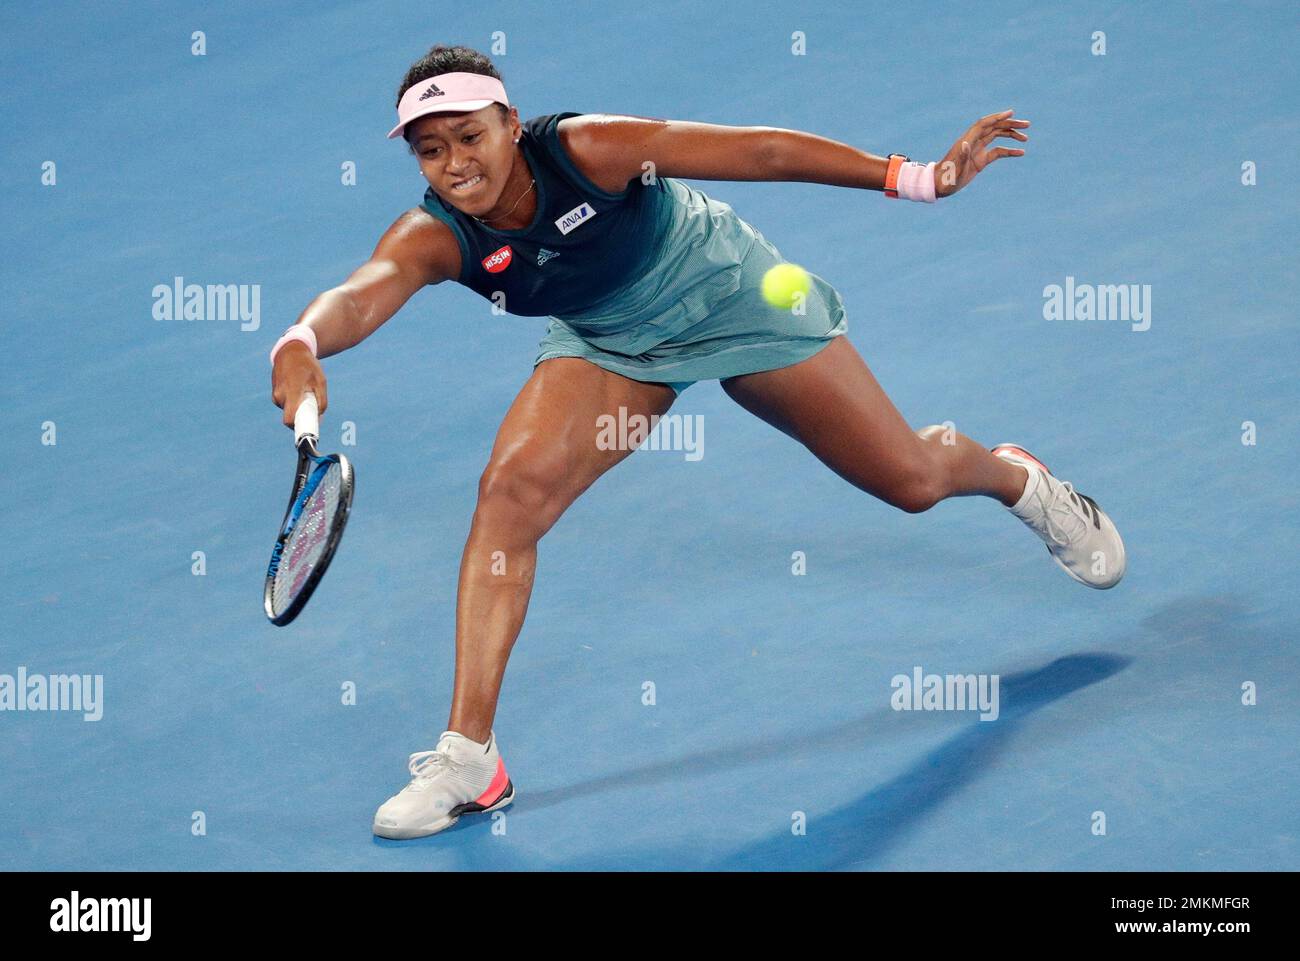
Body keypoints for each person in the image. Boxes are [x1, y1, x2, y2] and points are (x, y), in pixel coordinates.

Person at [268, 45, 1125, 840]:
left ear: (509, 123)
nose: (456, 163)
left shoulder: (587, 149)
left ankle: (1014, 478)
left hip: (731, 294)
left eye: (469, 136)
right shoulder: (434, 234)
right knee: (510, 497)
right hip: (612, 345)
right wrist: (300, 342)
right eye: (429, 150)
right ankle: (471, 758)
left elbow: (762, 152)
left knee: (909, 478)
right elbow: (362, 293)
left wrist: (918, 179)